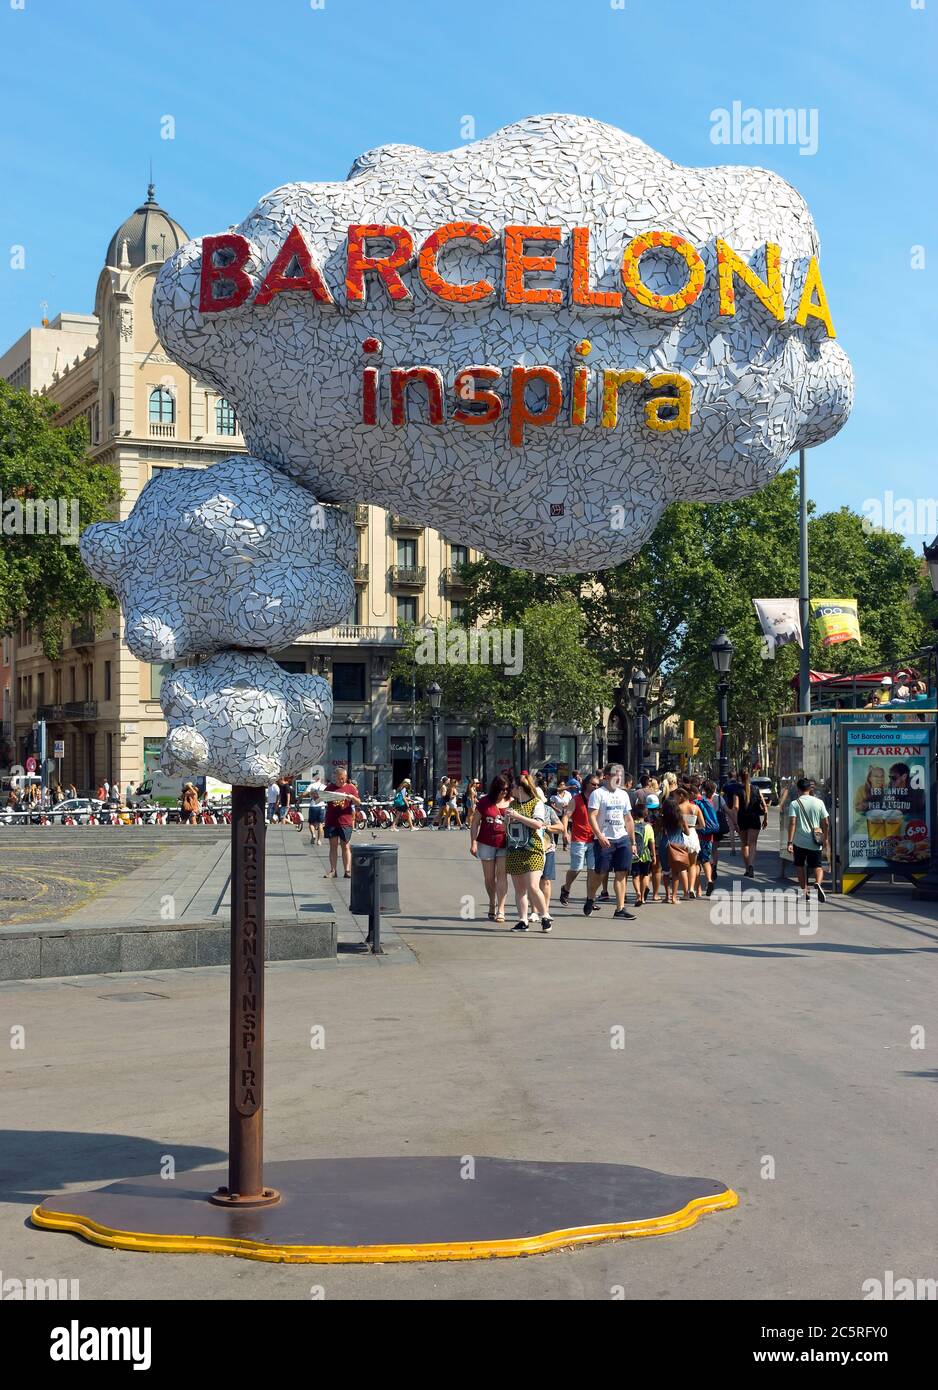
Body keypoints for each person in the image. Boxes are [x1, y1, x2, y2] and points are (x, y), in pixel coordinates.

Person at [583, 763, 636, 920]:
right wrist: (599, 835)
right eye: (615, 775)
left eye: (621, 775)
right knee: (600, 873)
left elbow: (628, 819)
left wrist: (633, 842)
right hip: (604, 840)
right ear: (606, 776)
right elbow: (592, 816)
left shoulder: (623, 794)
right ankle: (590, 897)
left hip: (622, 838)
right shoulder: (598, 794)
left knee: (621, 873)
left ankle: (620, 908)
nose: (619, 778)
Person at [504, 771, 552, 933]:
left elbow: (538, 824)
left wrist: (518, 817)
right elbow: (506, 828)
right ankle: (523, 920)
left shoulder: (536, 803)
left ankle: (545, 916)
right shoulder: (513, 805)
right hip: (515, 849)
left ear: (519, 788)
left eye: (512, 787)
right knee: (519, 890)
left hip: (533, 849)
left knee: (533, 886)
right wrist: (507, 820)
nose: (510, 790)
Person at [469, 774, 511, 922]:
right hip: (486, 842)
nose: (504, 792)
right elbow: (475, 823)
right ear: (495, 789)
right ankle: (492, 902)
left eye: (506, 789)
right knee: (489, 877)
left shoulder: (511, 802)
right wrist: (473, 842)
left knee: (502, 876)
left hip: (505, 843)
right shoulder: (485, 801)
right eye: (501, 789)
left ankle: (501, 909)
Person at [786, 776, 829, 902]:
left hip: (799, 842)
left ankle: (805, 892)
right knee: (818, 866)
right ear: (810, 789)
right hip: (815, 840)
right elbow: (826, 822)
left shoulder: (795, 803)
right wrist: (825, 838)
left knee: (799, 866)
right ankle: (818, 883)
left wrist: (790, 842)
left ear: (798, 789)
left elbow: (792, 823)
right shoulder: (819, 802)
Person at [559, 773, 600, 905]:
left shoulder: (599, 799)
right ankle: (566, 888)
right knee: (576, 868)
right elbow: (566, 816)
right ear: (586, 784)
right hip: (579, 839)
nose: (596, 787)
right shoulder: (576, 799)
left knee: (592, 870)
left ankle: (590, 899)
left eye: (597, 785)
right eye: (593, 784)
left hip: (594, 839)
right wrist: (565, 832)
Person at [324, 768, 360, 878]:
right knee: (333, 846)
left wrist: (352, 797)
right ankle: (333, 870)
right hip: (332, 821)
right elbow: (322, 798)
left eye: (344, 778)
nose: (342, 780)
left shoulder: (350, 788)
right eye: (340, 778)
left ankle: (347, 871)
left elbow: (358, 802)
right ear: (335, 777)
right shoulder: (330, 788)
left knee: (345, 846)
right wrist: (316, 796)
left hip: (345, 821)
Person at [736, 769, 768, 878]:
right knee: (753, 844)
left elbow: (736, 807)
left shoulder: (737, 791)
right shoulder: (756, 789)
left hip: (742, 819)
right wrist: (765, 819)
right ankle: (751, 866)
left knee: (744, 844)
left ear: (739, 778)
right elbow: (765, 806)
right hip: (754, 818)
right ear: (749, 777)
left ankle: (746, 868)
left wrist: (734, 821)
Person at [661, 794, 690, 903]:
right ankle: (674, 897)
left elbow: (657, 831)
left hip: (665, 844)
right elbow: (687, 832)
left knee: (665, 872)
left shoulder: (663, 818)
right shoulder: (681, 818)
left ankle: (667, 896)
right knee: (676, 873)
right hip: (677, 845)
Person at [538, 800, 565, 916]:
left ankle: (545, 910)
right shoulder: (524, 809)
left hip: (547, 848)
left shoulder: (548, 810)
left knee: (545, 880)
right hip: (530, 850)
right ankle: (534, 911)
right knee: (532, 883)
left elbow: (561, 827)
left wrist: (547, 827)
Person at [630, 800, 656, 905]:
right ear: (646, 814)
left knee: (635, 876)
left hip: (634, 854)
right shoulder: (648, 827)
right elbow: (651, 842)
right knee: (645, 875)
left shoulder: (630, 825)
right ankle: (643, 897)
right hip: (645, 854)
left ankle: (638, 893)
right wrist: (654, 855)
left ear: (634, 814)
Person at [776, 781, 796, 881]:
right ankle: (783, 871)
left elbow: (781, 804)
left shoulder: (790, 788)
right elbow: (781, 804)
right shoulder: (793, 789)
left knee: (787, 847)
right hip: (794, 821)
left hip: (790, 820)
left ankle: (782, 872)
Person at [721, 768, 743, 854]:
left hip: (729, 809)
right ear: (736, 776)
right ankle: (743, 846)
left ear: (728, 776)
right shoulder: (740, 786)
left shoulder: (725, 786)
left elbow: (722, 797)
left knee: (731, 829)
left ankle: (733, 849)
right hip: (739, 808)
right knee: (740, 828)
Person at [303, 773, 327, 845]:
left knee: (311, 823)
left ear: (315, 778)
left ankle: (313, 835)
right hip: (322, 806)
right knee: (320, 824)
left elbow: (304, 793)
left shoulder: (311, 785)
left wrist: (299, 797)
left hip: (313, 806)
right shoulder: (324, 786)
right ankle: (319, 841)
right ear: (320, 779)